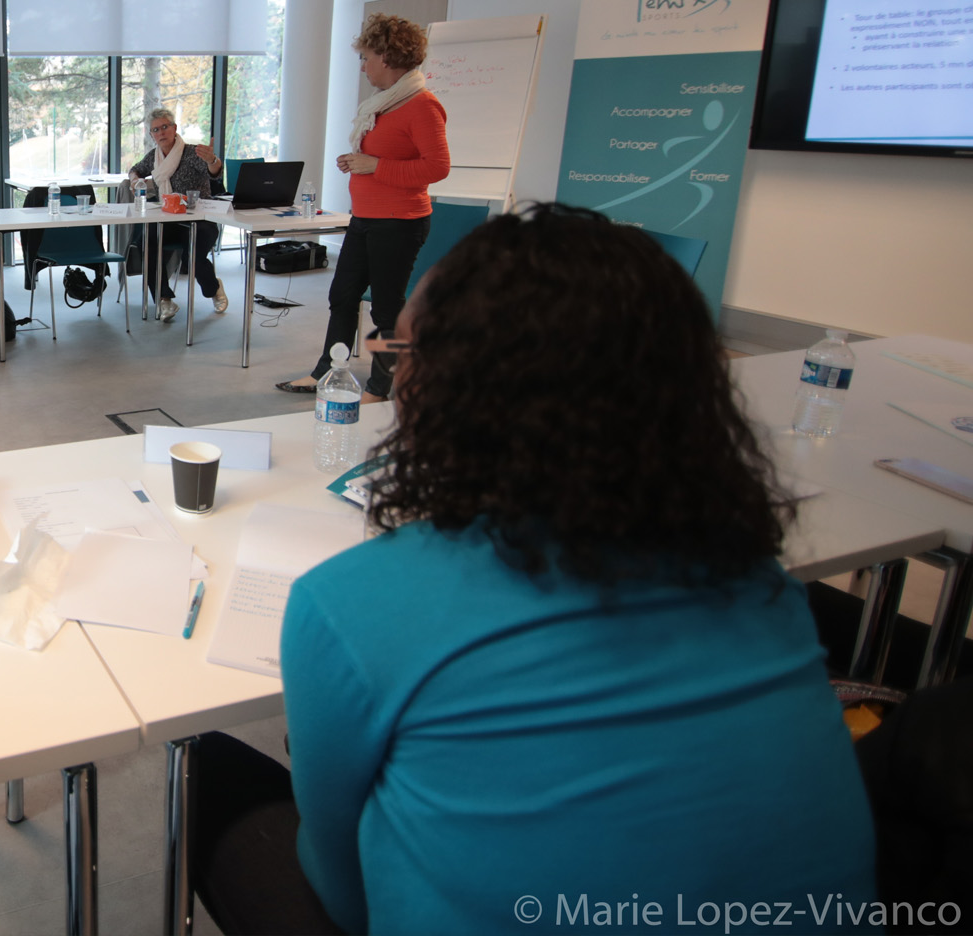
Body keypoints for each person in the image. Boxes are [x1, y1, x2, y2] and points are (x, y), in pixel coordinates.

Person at [192, 205, 876, 934]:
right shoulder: (763, 581)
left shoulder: (352, 601)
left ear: (447, 392)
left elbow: (341, 884)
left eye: (401, 350)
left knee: (214, 775)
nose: (392, 367)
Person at [279, 12, 451, 397]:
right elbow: (386, 157)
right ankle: (327, 372)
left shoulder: (422, 105)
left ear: (386, 58)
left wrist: (376, 165)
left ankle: (380, 387)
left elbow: (437, 167)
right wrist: (358, 163)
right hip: (367, 218)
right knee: (341, 296)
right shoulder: (383, 105)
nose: (362, 66)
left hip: (400, 222)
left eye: (366, 57)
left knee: (386, 311)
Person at [126, 109, 226, 322]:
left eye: (165, 127)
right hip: (169, 220)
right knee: (148, 241)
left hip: (199, 220)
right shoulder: (154, 157)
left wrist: (213, 159)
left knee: (193, 256)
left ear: (174, 129)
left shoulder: (192, 152)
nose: (161, 132)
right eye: (156, 130)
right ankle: (164, 300)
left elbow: (215, 171)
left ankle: (214, 289)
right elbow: (135, 169)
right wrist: (135, 179)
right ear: (151, 134)